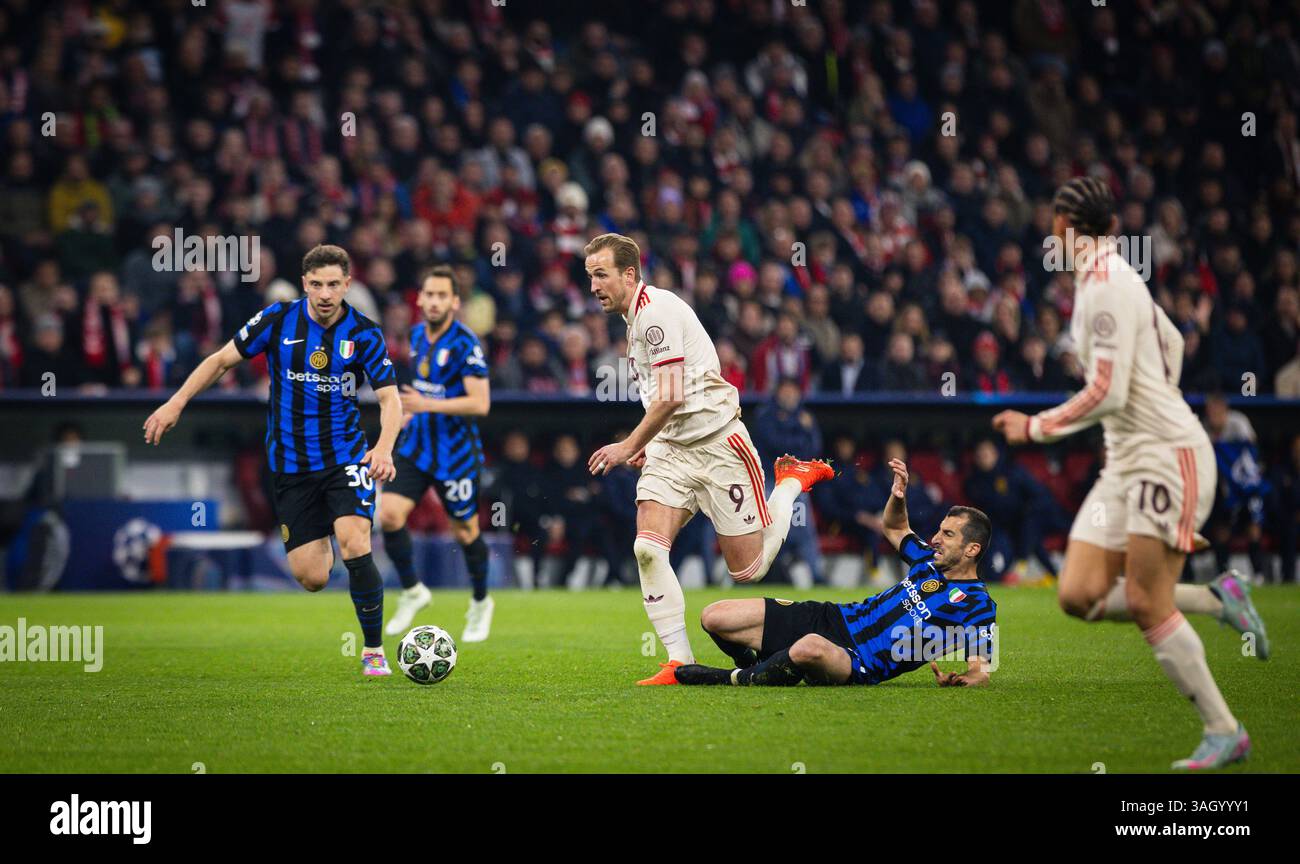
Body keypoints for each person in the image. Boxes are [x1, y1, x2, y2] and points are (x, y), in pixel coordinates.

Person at [992, 177, 1268, 770]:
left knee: (1145, 600)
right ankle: (1218, 598)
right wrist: (1155, 392)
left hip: (1165, 457)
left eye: (1052, 221)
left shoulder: (1108, 284)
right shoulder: (1108, 279)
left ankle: (1224, 729)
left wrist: (1036, 427)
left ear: (1066, 226)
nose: (1048, 232)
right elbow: (1170, 339)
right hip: (1125, 464)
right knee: (1078, 593)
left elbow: (1107, 391)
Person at [583, 232, 834, 685]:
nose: (594, 285)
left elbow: (673, 395)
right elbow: (662, 397)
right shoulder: (633, 318)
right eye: (590, 276)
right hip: (674, 450)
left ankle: (792, 481)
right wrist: (648, 444)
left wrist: (627, 445)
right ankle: (679, 662)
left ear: (628, 274)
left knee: (749, 572)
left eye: (601, 275)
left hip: (720, 446)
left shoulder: (654, 314)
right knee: (646, 549)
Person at [144, 244, 402, 676]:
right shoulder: (277, 319)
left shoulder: (364, 333)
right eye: (316, 284)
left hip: (346, 457)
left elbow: (391, 400)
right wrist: (176, 403)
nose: (324, 293)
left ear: (347, 285)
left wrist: (383, 447)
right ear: (305, 283)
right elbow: (222, 360)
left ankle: (373, 650)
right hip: (291, 466)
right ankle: (325, 530)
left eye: (333, 284)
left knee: (356, 542)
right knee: (313, 577)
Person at [675, 458, 996, 688]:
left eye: (948, 535)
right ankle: (757, 666)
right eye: (940, 530)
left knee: (809, 647)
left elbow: (981, 667)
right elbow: (896, 526)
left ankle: (727, 679)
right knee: (714, 617)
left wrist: (968, 678)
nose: (936, 539)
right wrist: (898, 497)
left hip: (859, 659)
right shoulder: (927, 559)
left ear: (972, 550)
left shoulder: (978, 604)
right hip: (833, 617)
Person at [379, 266, 494, 642]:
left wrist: (427, 403)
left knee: (464, 531)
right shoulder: (415, 335)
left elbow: (480, 404)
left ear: (454, 302)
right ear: (420, 298)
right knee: (390, 514)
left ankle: (480, 602)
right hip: (417, 446)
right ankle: (413, 591)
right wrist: (412, 410)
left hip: (456, 454)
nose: (433, 301)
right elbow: (421, 391)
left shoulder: (465, 344)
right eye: (428, 294)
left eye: (442, 295)